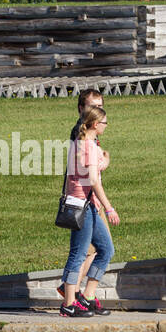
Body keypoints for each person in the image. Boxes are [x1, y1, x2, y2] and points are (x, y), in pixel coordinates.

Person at [59, 106, 118, 317]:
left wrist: (103, 163)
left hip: (87, 204)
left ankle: (88, 296)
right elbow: (92, 180)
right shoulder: (88, 147)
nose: (106, 126)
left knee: (106, 250)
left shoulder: (80, 144)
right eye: (104, 122)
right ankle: (69, 303)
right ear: (95, 124)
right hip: (81, 206)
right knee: (78, 254)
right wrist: (110, 208)